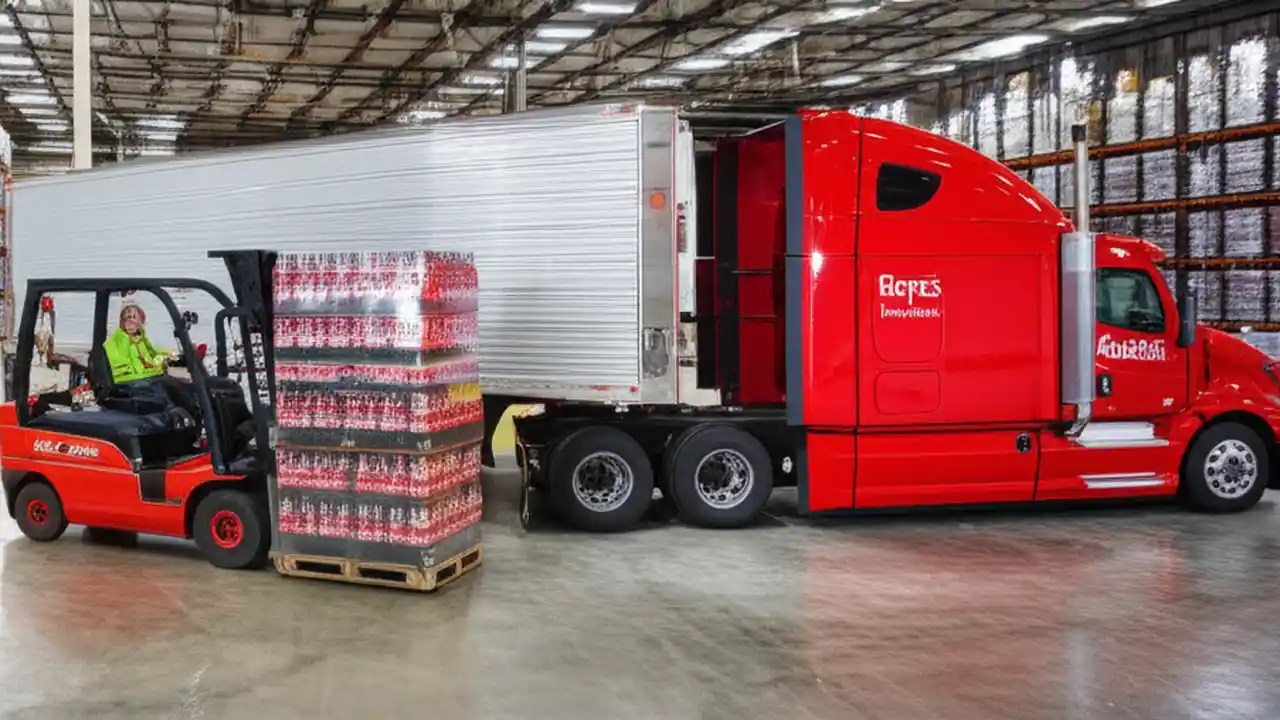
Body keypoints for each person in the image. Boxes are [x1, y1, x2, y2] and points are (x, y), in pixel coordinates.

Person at [103, 303, 199, 419]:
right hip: (129, 381)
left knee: (182, 387)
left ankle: (196, 416)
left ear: (141, 321)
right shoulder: (119, 339)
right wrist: (159, 364)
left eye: (133, 317)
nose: (130, 321)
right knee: (162, 394)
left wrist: (175, 356)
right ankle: (173, 421)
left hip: (146, 377)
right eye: (126, 318)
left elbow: (153, 355)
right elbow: (136, 365)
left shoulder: (141, 339)